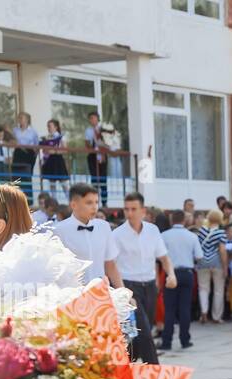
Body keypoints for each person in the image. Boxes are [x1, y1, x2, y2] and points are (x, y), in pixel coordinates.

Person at [111, 191, 176, 364]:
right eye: (126, 209)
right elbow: (110, 264)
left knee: (141, 332)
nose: (129, 213)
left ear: (143, 211)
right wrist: (121, 291)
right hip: (129, 287)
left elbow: (164, 257)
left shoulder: (153, 231)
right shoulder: (117, 235)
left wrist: (171, 274)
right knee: (145, 332)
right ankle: (154, 372)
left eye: (133, 209)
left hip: (150, 287)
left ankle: (126, 363)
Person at [158, 210, 199, 351]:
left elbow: (158, 256)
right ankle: (185, 339)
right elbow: (199, 256)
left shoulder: (164, 236)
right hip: (187, 272)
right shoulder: (192, 236)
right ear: (184, 220)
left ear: (171, 220)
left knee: (169, 308)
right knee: (185, 308)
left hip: (170, 272)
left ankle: (167, 341)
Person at [195, 208, 229, 324]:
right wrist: (225, 267)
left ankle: (204, 312)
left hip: (202, 262)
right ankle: (216, 317)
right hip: (216, 263)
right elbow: (222, 251)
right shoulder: (221, 233)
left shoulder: (201, 231)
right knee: (218, 290)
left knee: (203, 289)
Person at [10, 112, 39, 201]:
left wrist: (34, 157)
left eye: (21, 118)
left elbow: (36, 145)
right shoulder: (15, 130)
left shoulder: (33, 132)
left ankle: (28, 200)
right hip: (18, 153)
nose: (20, 120)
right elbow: (12, 141)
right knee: (16, 175)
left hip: (28, 154)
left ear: (27, 119)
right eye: (19, 118)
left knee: (26, 176)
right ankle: (16, 198)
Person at [39, 119, 68, 201]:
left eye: (50, 126)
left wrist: (54, 151)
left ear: (56, 127)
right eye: (47, 126)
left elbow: (65, 150)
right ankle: (54, 201)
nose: (48, 128)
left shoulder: (61, 136)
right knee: (52, 183)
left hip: (58, 160)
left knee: (63, 183)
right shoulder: (46, 138)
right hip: (50, 160)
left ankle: (70, 202)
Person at [84, 111, 108, 207]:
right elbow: (86, 143)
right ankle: (94, 202)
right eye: (91, 118)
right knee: (94, 180)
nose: (92, 120)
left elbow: (108, 141)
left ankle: (104, 202)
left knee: (103, 179)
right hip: (93, 155)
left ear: (98, 119)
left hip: (102, 155)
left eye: (94, 118)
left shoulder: (104, 129)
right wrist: (92, 148)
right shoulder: (88, 130)